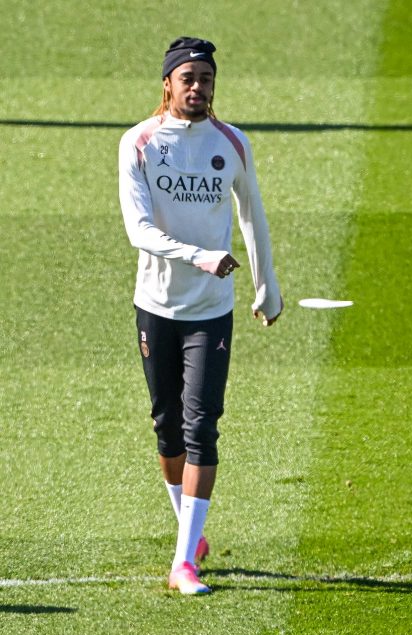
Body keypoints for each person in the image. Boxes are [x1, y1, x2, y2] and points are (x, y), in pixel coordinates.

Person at [118, 36, 282, 595]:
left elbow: (253, 215)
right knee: (167, 429)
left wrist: (268, 288)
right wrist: (201, 256)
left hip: (212, 312)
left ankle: (183, 560)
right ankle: (192, 534)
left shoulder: (231, 143)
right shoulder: (138, 143)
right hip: (157, 305)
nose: (197, 88)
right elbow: (138, 231)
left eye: (206, 80)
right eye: (188, 78)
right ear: (168, 82)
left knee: (201, 425)